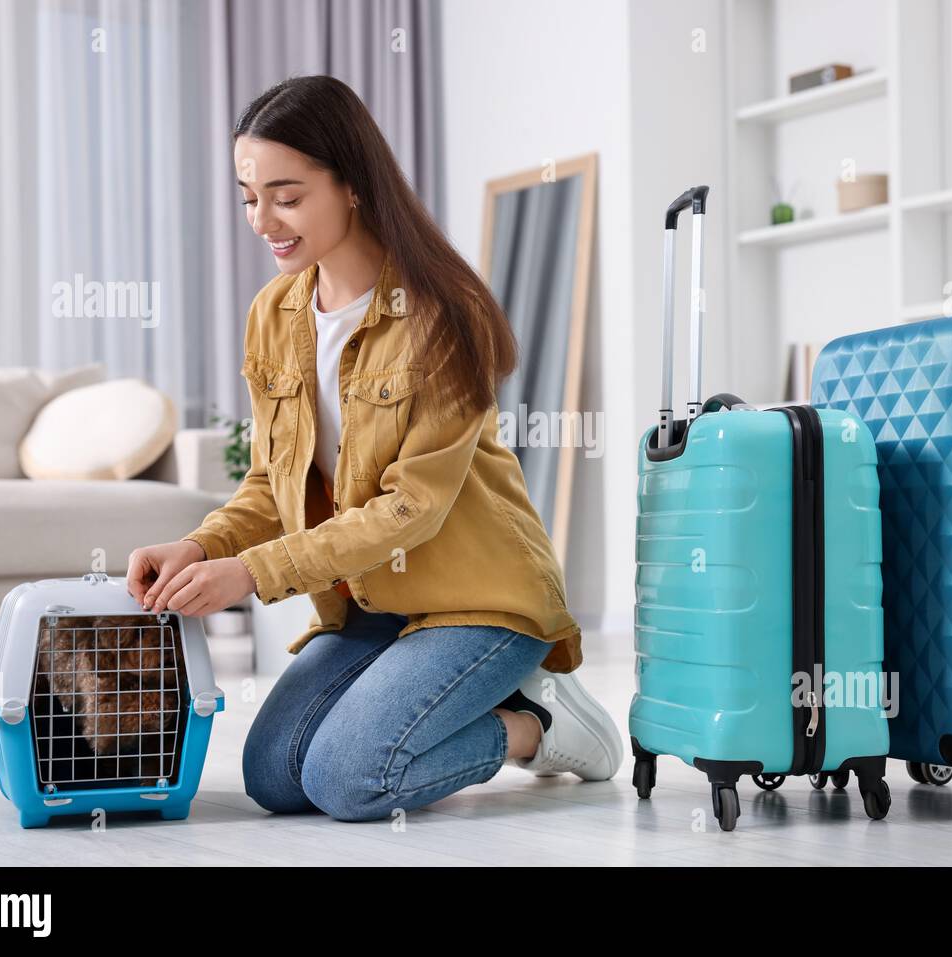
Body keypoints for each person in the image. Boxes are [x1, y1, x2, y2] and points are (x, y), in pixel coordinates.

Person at [125, 75, 621, 823]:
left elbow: (411, 510)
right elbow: (272, 480)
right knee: (274, 776)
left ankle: (537, 724)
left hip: (481, 602)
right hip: (373, 605)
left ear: (351, 185)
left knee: (350, 779)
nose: (264, 220)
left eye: (286, 196)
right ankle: (436, 696)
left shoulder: (442, 316)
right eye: (249, 196)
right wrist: (200, 545)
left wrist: (252, 573)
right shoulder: (275, 312)